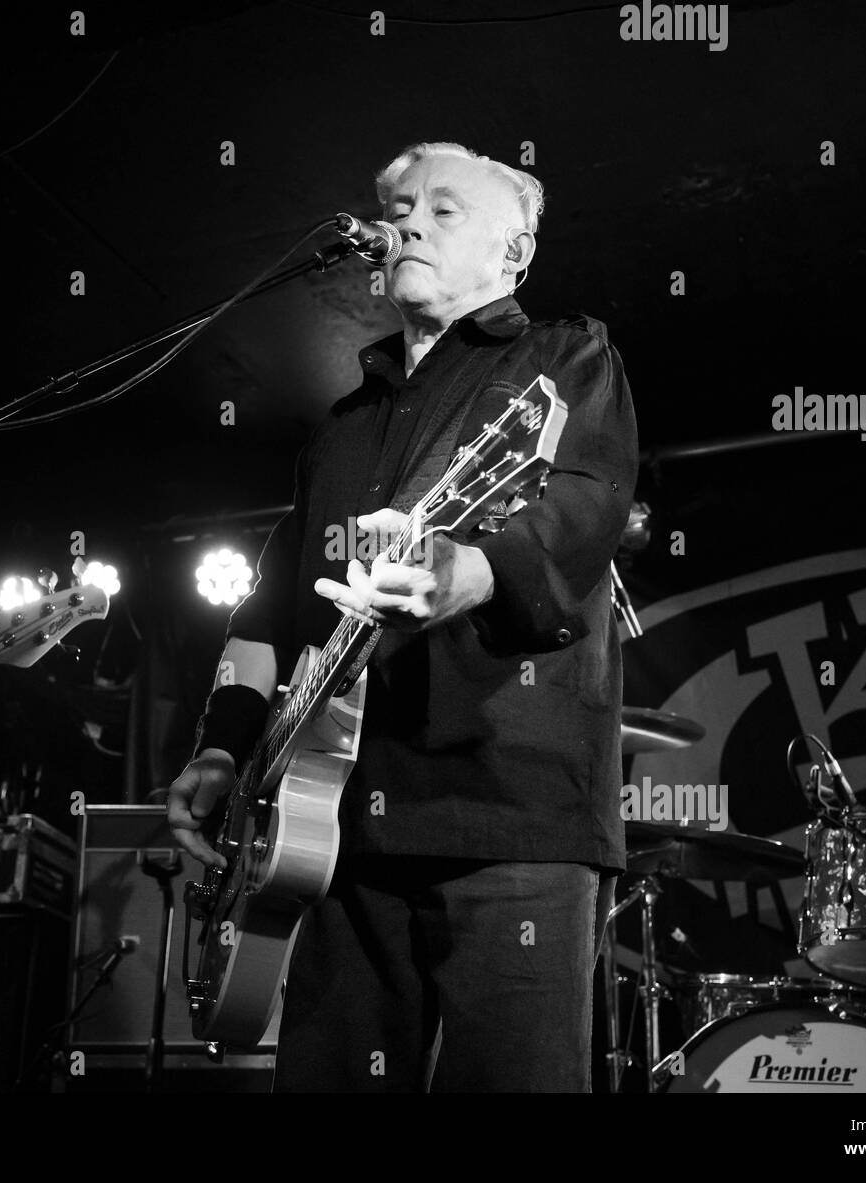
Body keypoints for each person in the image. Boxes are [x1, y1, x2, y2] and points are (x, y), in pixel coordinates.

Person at [163, 142, 638, 1091]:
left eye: (444, 209)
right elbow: (267, 611)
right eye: (400, 208)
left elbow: (584, 506)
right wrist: (222, 745)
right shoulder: (340, 429)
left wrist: (473, 570)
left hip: (510, 815)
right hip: (335, 836)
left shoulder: (562, 358)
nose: (407, 222)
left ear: (513, 252)